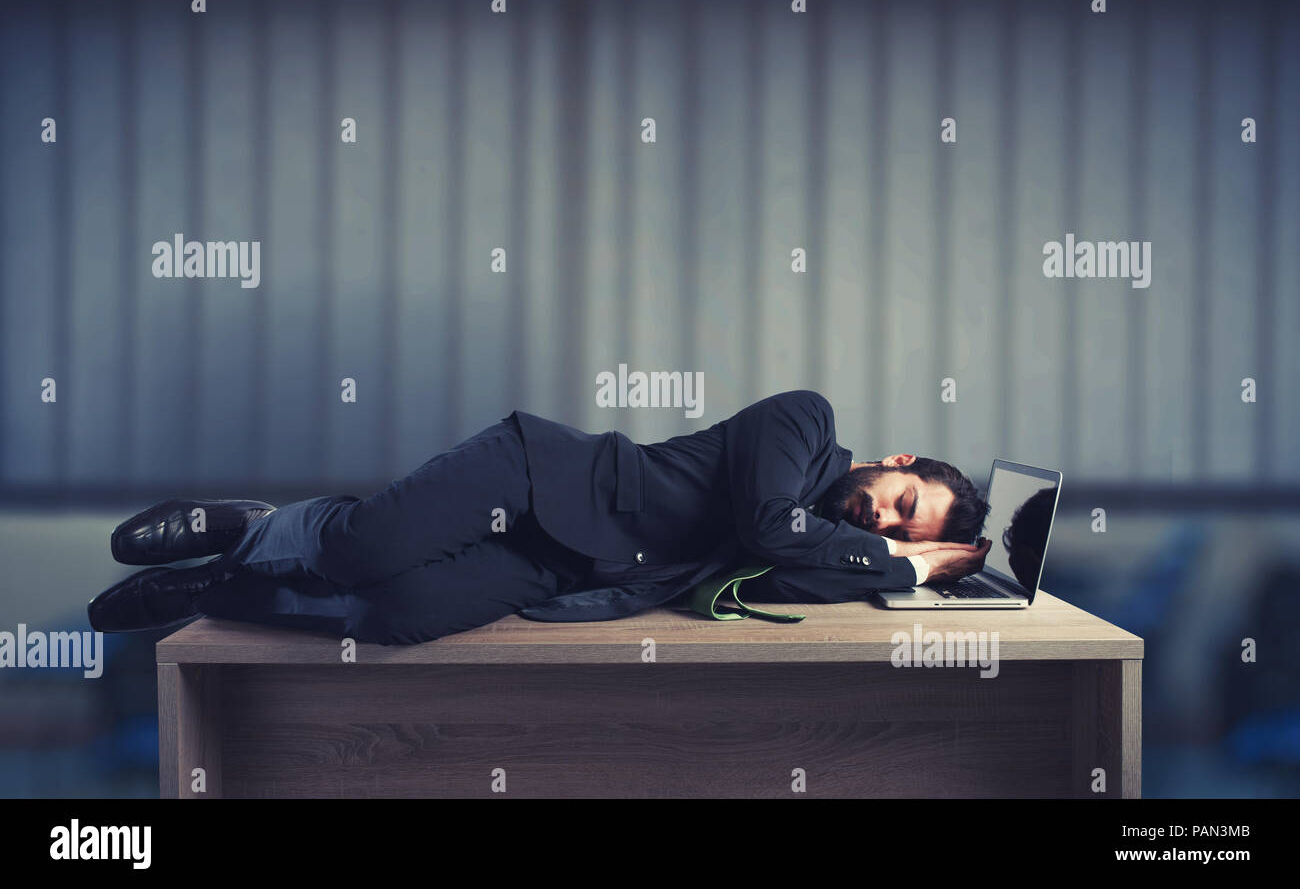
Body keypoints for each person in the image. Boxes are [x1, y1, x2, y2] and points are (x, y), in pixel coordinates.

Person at [87, 390, 992, 644]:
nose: (881, 520)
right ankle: (249, 526)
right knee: (368, 549)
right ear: (897, 460)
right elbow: (766, 528)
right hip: (541, 478)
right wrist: (912, 567)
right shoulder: (807, 422)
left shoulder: (840, 547)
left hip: (570, 569)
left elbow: (780, 572)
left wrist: (919, 572)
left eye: (898, 532)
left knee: (393, 618)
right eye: (902, 502)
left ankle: (216, 589)